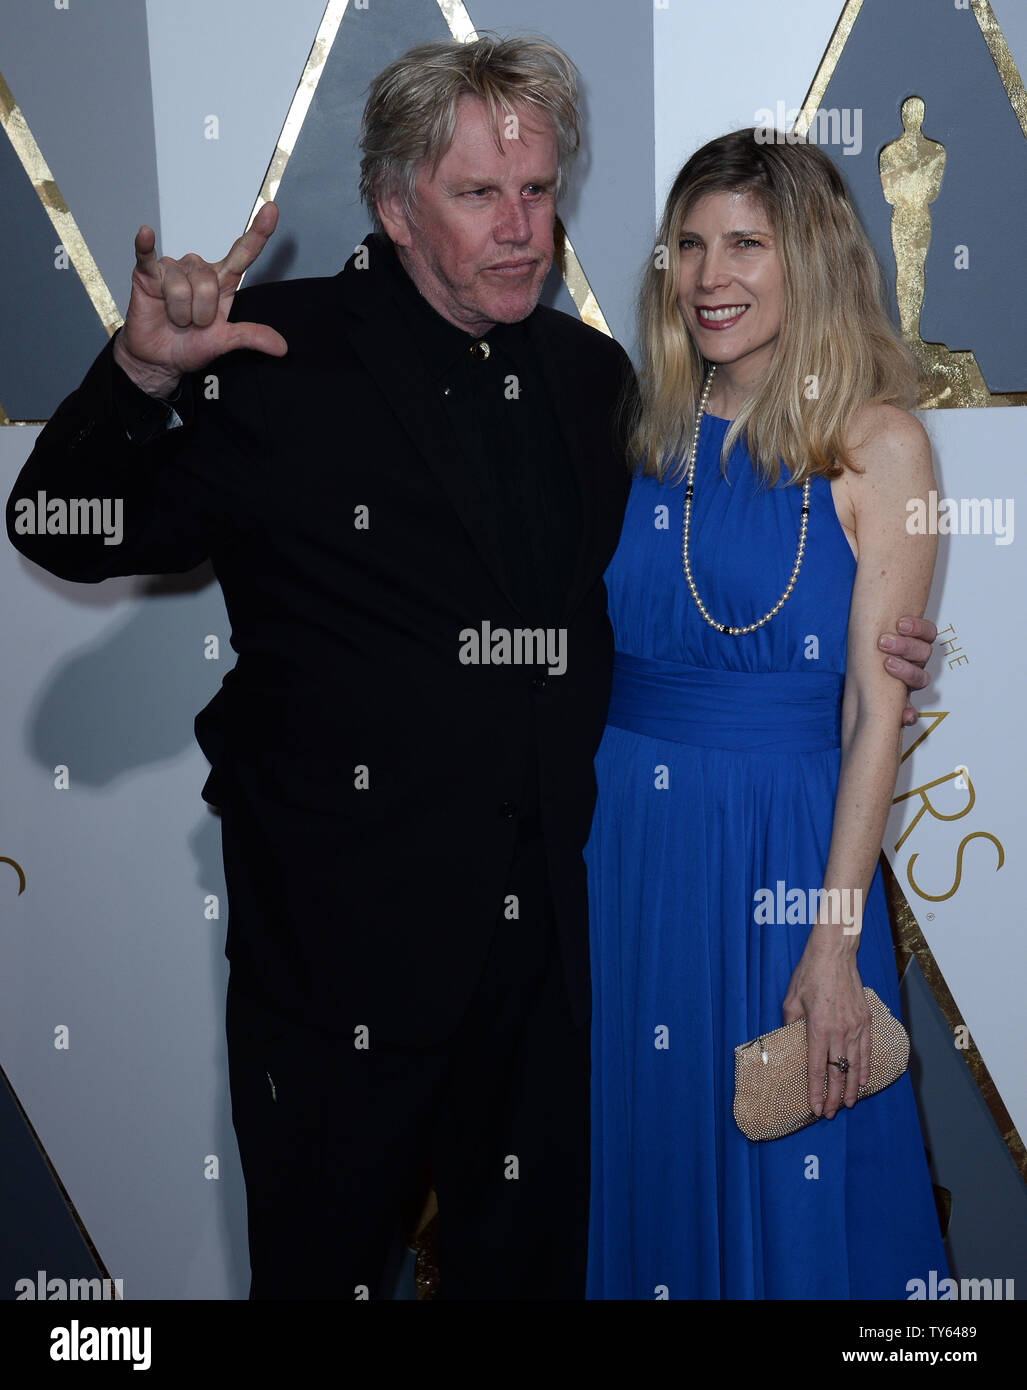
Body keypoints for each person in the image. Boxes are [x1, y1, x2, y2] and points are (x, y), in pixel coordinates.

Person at [6, 39, 934, 1300]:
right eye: (479, 195)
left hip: (559, 966)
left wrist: (865, 646)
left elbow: (695, 592)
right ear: (393, 207)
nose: (521, 230)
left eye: (540, 193)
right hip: (342, 966)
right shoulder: (276, 354)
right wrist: (142, 373)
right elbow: (60, 524)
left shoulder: (596, 384)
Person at [585, 129, 949, 1300]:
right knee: (636, 1149)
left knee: (795, 1154)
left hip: (785, 860)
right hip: (622, 857)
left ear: (813, 261)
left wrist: (833, 940)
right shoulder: (634, 430)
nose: (707, 275)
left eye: (746, 243)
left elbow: (871, 714)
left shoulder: (877, 446)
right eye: (688, 244)